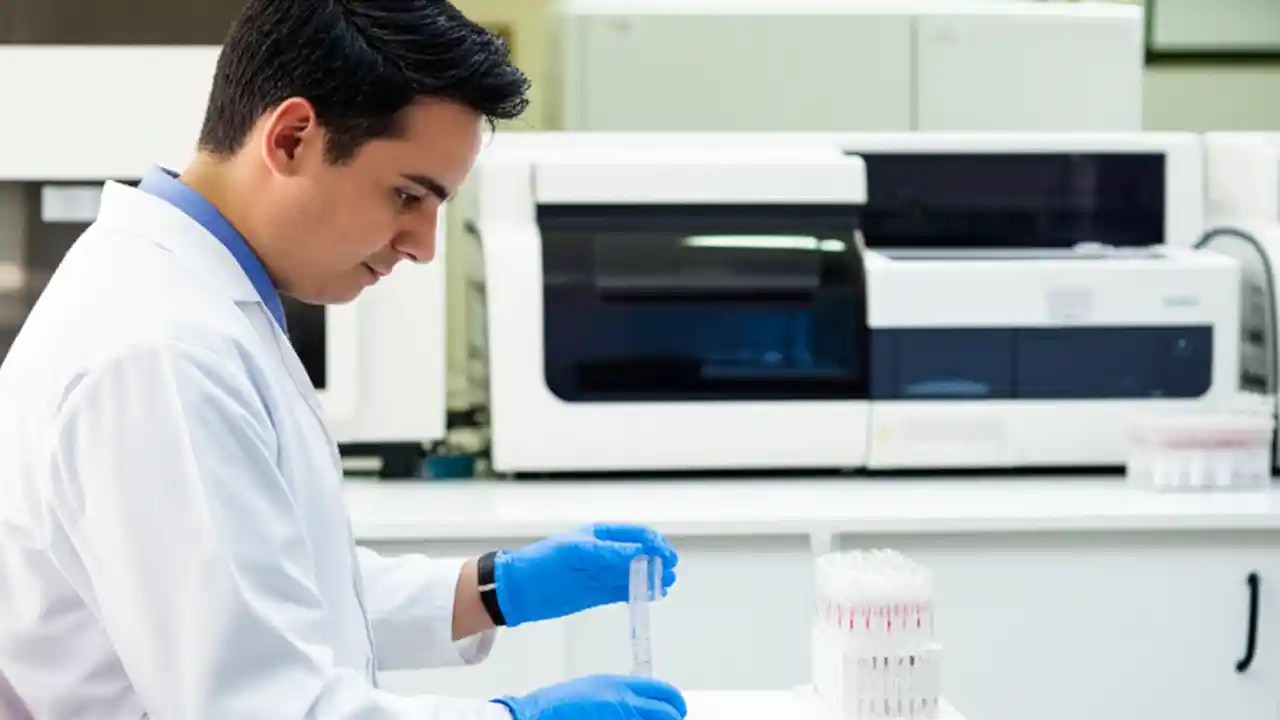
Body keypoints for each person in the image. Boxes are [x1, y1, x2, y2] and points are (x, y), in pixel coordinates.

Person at [0, 1, 688, 719]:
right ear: (292, 137)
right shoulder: (162, 352)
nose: (422, 245)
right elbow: (260, 704)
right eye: (406, 196)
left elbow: (266, 590)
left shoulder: (195, 301)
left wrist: (492, 590)